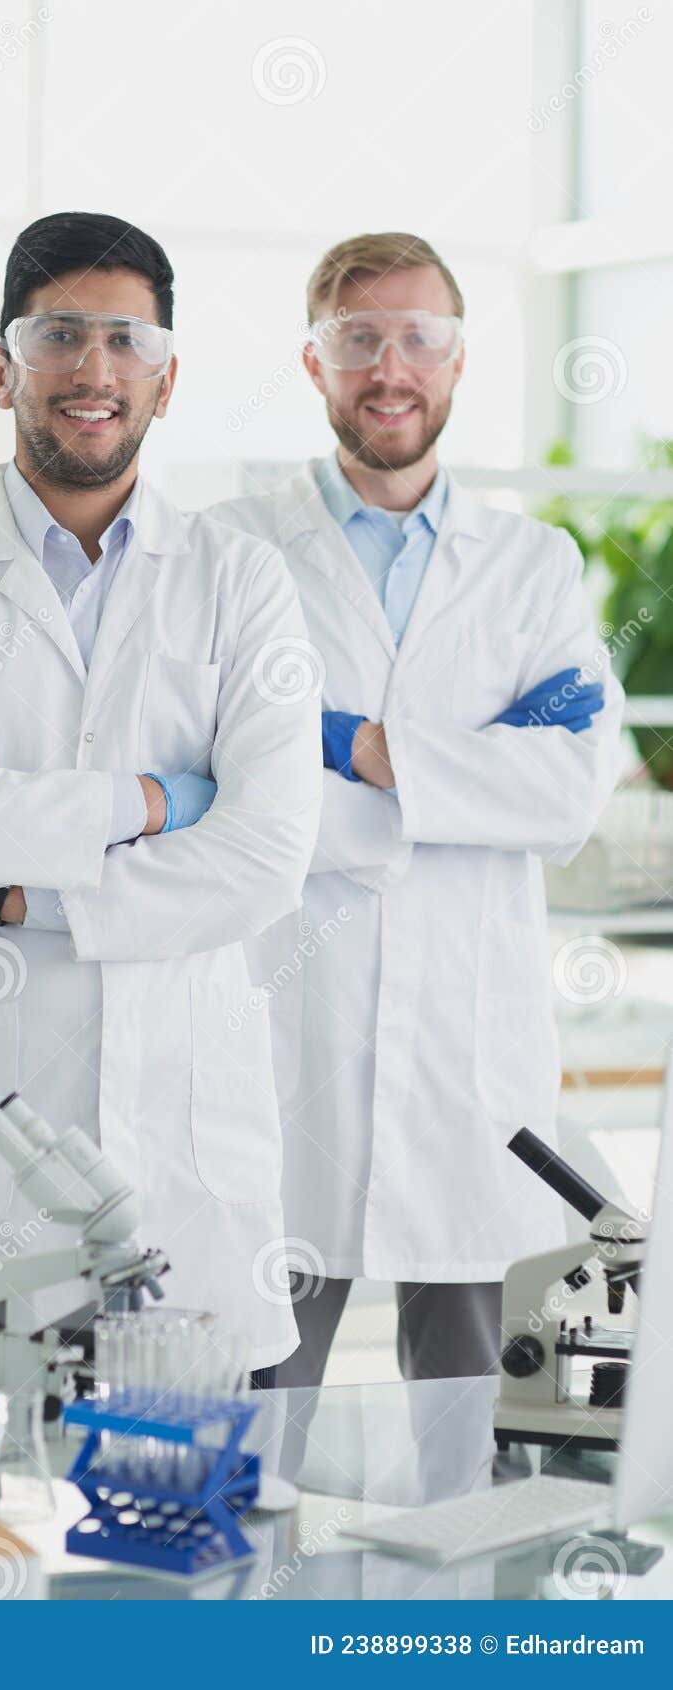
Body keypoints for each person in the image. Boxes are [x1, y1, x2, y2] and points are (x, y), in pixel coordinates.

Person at [0, 211, 322, 1410]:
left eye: (124, 340)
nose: (92, 369)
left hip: (182, 1162)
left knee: (175, 1570)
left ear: (166, 375)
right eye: (57, 337)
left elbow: (264, 857)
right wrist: (144, 801)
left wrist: (14, 890)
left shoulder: (239, 579)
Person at [209, 232, 624, 1386]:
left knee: (471, 1439)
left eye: (417, 339)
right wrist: (459, 782)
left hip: (469, 1064)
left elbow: (567, 795)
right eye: (357, 339)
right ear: (311, 363)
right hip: (288, 1033)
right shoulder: (233, 555)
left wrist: (360, 748)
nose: (388, 367)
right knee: (257, 1420)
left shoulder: (531, 565)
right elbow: (232, 795)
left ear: (454, 361)